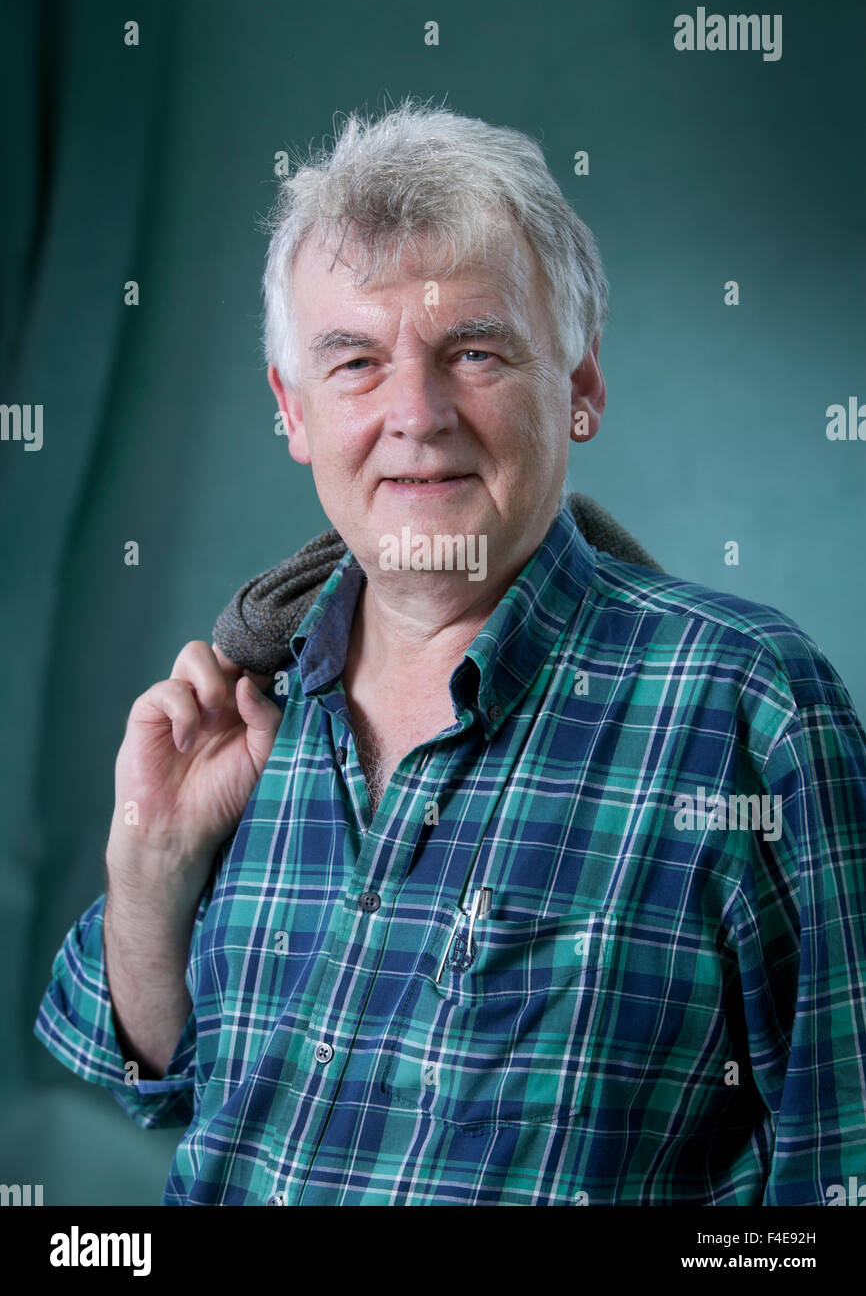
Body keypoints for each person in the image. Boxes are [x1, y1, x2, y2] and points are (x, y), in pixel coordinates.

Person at [35, 97, 866, 1206]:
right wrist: (150, 874)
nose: (415, 413)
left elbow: (840, 1158)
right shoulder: (252, 708)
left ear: (577, 386)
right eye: (354, 363)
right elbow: (146, 1073)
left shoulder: (744, 711)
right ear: (292, 410)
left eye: (472, 351)